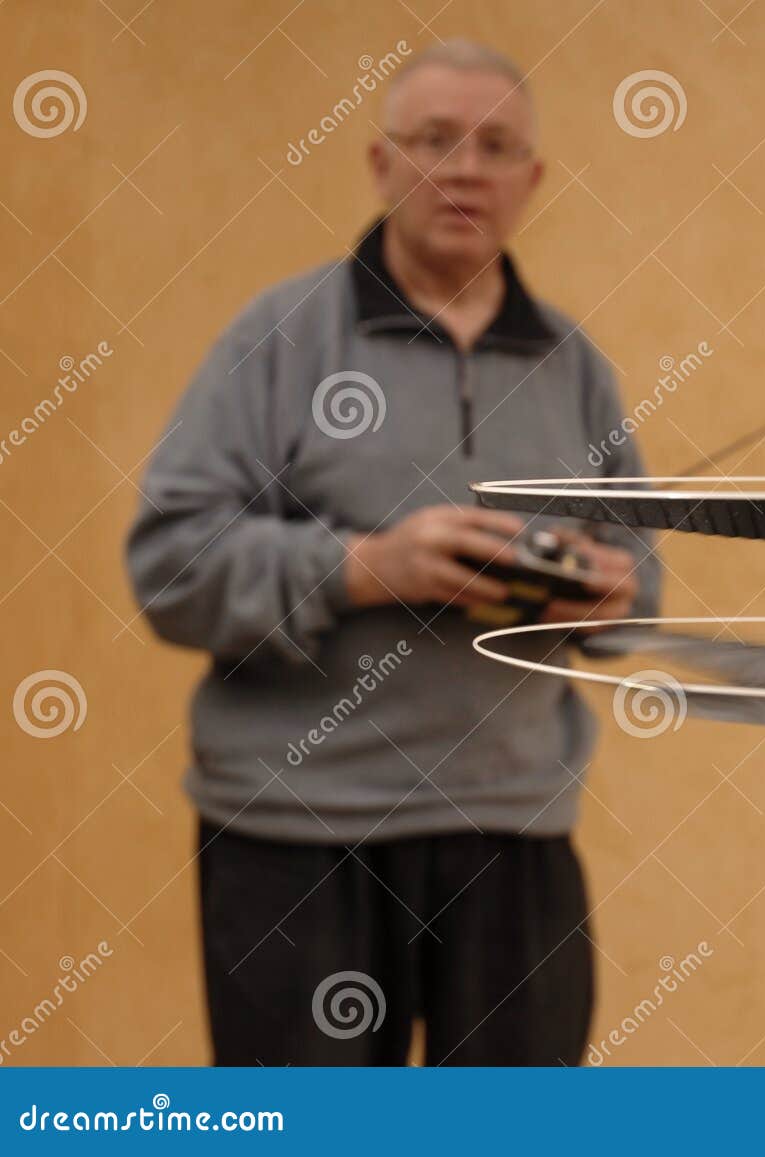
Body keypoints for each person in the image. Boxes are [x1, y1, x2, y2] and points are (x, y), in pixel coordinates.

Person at [124, 39, 660, 1066]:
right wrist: (369, 567)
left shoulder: (572, 364)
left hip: (511, 833)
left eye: (496, 145)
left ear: (531, 180)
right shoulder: (274, 339)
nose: (464, 169)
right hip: (294, 834)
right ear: (379, 164)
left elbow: (639, 584)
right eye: (434, 141)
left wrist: (603, 593)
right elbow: (171, 568)